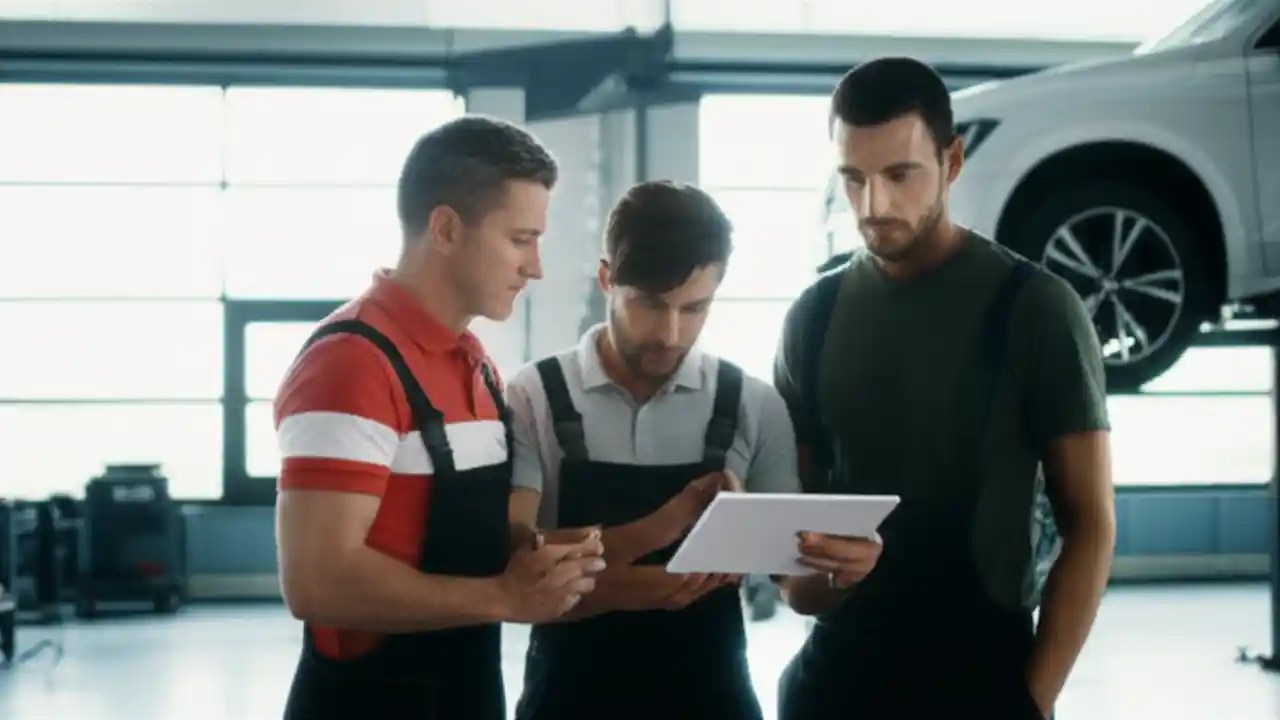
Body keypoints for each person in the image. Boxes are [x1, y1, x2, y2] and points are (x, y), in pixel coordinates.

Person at [774, 57, 1117, 719]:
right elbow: (794, 552)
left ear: (952, 161)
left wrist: (1031, 700)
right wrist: (796, 576)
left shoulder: (1037, 309)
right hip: (834, 681)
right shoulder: (811, 318)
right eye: (854, 179)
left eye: (900, 175)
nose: (874, 206)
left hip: (981, 677)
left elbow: (1091, 524)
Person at [274, 116, 605, 720]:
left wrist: (542, 560)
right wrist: (502, 596)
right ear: (447, 229)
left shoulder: (476, 365)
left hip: (464, 692)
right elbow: (317, 582)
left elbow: (463, 540)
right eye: (520, 239)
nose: (536, 267)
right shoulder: (352, 364)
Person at [506, 181, 809, 720]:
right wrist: (658, 566)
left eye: (695, 308)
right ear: (607, 279)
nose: (670, 333)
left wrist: (841, 571)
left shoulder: (753, 406)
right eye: (650, 304)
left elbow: (795, 583)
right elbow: (516, 565)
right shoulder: (534, 396)